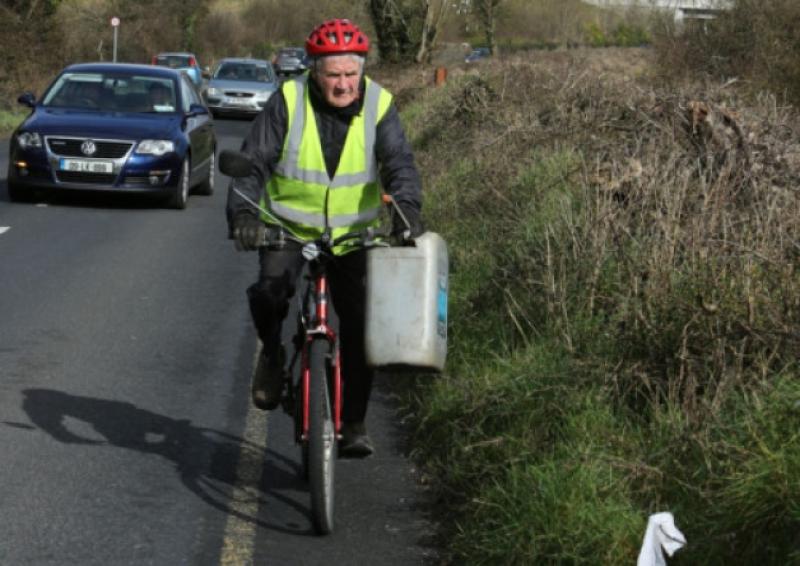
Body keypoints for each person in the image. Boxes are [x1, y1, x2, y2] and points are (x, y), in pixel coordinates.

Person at [225, 18, 424, 457]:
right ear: (313, 71)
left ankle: (353, 422)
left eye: (350, 74)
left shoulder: (379, 104)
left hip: (354, 236)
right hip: (289, 229)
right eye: (333, 74)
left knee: (360, 326)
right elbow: (253, 162)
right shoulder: (288, 100)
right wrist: (243, 214)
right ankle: (274, 354)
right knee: (268, 292)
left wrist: (406, 213)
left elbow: (399, 165)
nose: (342, 84)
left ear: (362, 72)